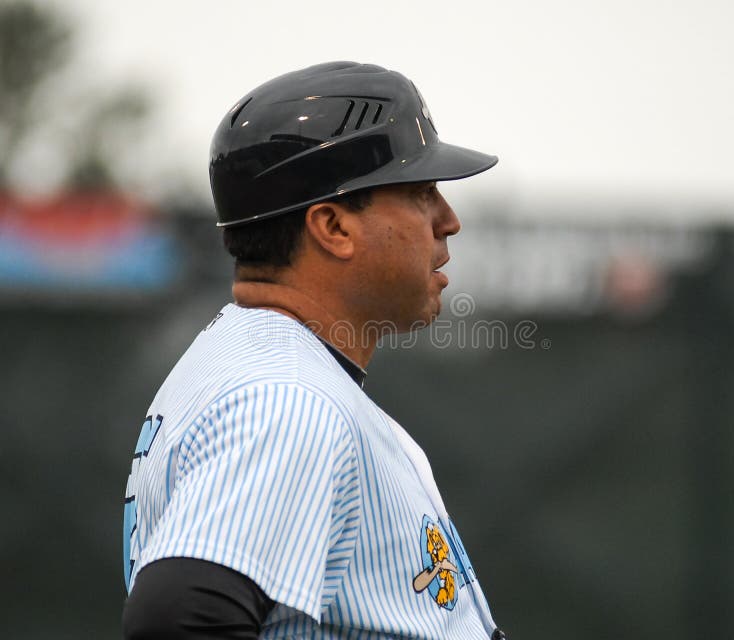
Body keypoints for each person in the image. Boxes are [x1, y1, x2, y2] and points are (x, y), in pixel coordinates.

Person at [121, 61, 504, 640]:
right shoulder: (286, 396)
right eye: (422, 192)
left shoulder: (250, 360)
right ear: (333, 226)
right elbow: (178, 620)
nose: (448, 220)